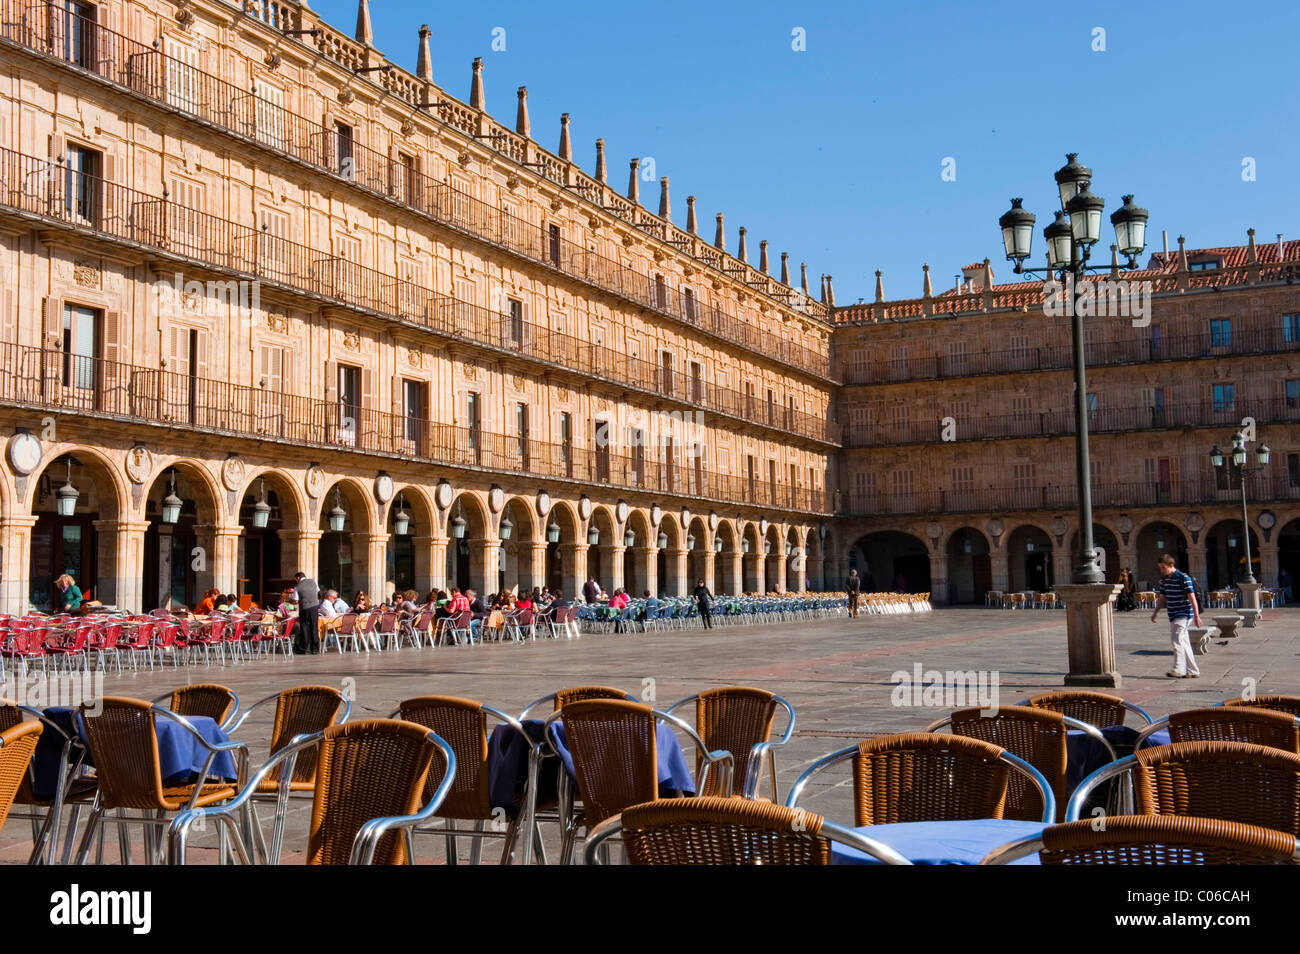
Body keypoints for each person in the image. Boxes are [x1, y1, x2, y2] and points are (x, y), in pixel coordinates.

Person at [1151, 554, 1202, 679]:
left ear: (1171, 565)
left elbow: (1192, 598)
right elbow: (1162, 599)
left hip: (1184, 614)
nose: (1161, 571)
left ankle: (1178, 669)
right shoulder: (1164, 581)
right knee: (1183, 642)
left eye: (1163, 568)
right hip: (1173, 615)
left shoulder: (1183, 578)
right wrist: (1155, 612)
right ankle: (1193, 670)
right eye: (1160, 568)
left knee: (1176, 639)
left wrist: (1196, 616)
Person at [294, 571, 321, 654]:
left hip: (304, 608)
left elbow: (296, 600)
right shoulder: (313, 581)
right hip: (314, 607)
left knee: (304, 627)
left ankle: (303, 648)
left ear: (298, 578)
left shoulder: (297, 586)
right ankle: (315, 648)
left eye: (296, 579)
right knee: (314, 627)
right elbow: (318, 591)